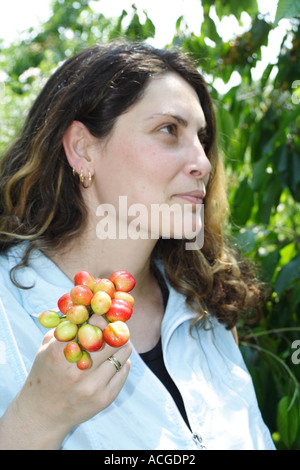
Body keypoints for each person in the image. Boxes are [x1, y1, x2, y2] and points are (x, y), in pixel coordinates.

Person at [0, 41, 275, 450]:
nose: (202, 160)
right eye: (169, 130)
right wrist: (35, 421)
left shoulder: (205, 308)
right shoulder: (7, 309)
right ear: (82, 149)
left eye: (201, 137)